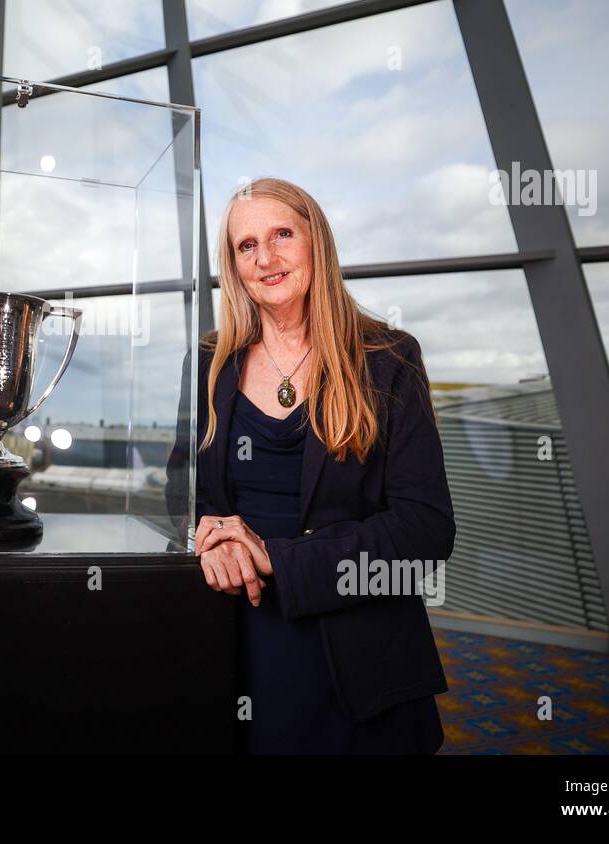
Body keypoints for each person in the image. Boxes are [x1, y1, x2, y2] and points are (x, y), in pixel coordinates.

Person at [166, 177, 456, 754]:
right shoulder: (208, 363)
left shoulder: (389, 359)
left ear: (315, 241)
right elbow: (182, 487)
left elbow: (425, 531)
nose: (266, 258)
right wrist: (209, 535)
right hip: (233, 640)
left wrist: (275, 554)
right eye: (246, 246)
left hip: (362, 656)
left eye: (281, 235)